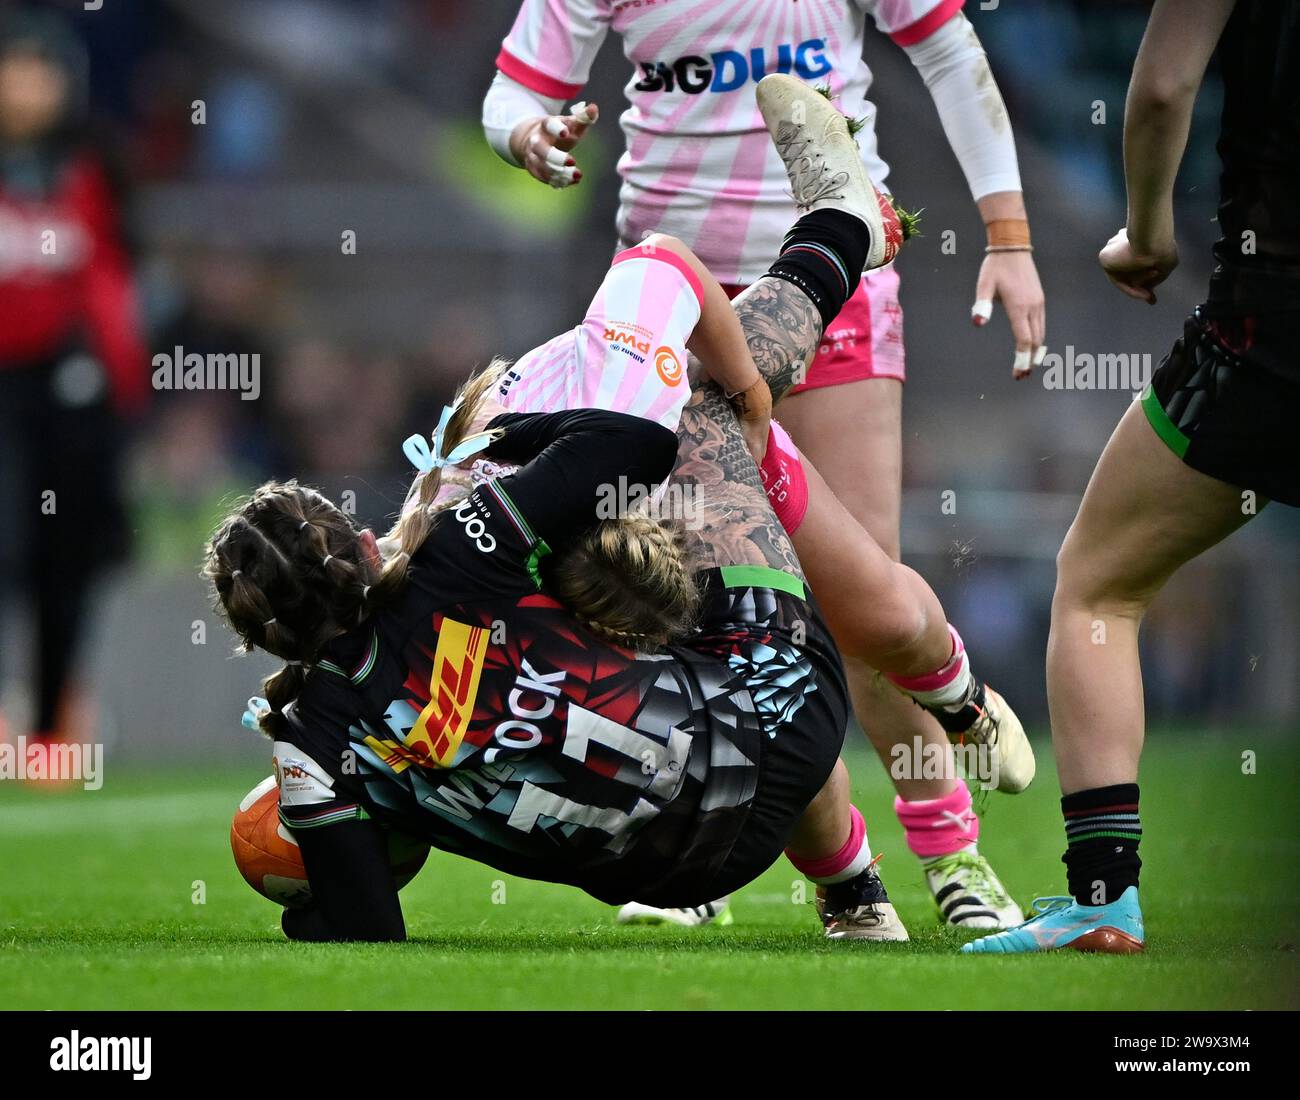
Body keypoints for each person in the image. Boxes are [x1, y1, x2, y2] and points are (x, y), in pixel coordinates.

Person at [207, 78, 930, 942]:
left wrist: (332, 856)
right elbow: (638, 446)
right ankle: (839, 228)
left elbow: (367, 931)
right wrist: (510, 442)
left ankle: (856, 890)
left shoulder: (309, 747)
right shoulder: (457, 550)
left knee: (615, 596)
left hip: (667, 873)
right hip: (785, 725)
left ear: (266, 642)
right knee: (697, 409)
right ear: (364, 546)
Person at [482, 0, 1044, 927]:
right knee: (681, 604)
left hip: (834, 292)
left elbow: (949, 49)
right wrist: (528, 136)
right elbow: (513, 95)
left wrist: (1012, 238)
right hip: (670, 308)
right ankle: (775, 879)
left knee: (859, 598)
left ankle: (955, 858)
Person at [965, 0, 1298, 955]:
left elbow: (1158, 89)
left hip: (1270, 329)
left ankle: (1105, 900)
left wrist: (1147, 233)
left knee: (1099, 584)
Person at [0, 9, 146, 745]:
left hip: (67, 388)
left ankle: (53, 725)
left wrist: (118, 387)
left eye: (40, 71)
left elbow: (113, 284)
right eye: (14, 69)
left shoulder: (93, 167)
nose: (27, 88)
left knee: (65, 557)